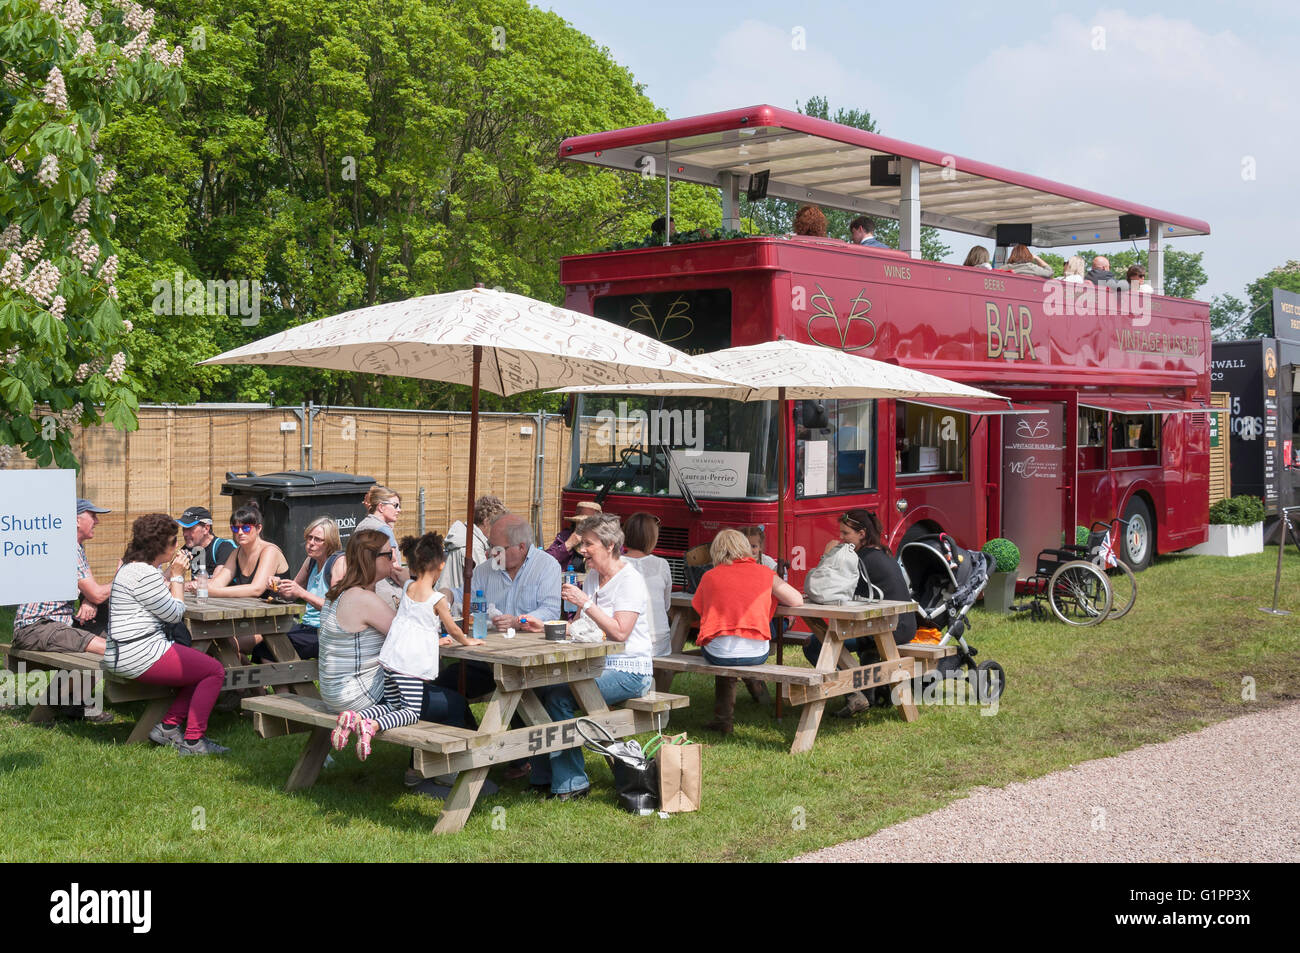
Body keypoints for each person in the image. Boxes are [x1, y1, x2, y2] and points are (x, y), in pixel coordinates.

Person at [531, 514, 654, 799]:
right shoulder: (594, 580)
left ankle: (572, 783)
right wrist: (554, 626)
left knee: (559, 696)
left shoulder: (629, 581)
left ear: (610, 545)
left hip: (630, 671)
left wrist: (585, 602)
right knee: (535, 689)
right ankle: (542, 775)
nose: (581, 549)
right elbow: (586, 627)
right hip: (596, 665)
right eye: (582, 543)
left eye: (588, 544)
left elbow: (620, 633)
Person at [329, 532, 481, 760]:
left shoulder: (407, 586)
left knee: (392, 703)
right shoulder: (434, 598)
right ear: (441, 565)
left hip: (386, 664)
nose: (393, 562)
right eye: (388, 556)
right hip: (396, 672)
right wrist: (466, 640)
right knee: (411, 712)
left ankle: (354, 718)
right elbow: (453, 629)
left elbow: (405, 622)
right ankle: (373, 727)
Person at [104, 513, 228, 754]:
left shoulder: (132, 569)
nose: (176, 546)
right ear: (159, 545)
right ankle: (193, 741)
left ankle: (168, 727)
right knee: (214, 670)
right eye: (173, 541)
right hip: (139, 654)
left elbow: (158, 596)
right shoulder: (145, 573)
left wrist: (171, 574)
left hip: (122, 652)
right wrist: (179, 574)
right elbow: (174, 614)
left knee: (197, 665)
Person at [433, 513, 561, 699]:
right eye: (490, 546)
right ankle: (465, 725)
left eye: (497, 548)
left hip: (532, 660)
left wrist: (518, 621)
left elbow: (550, 611)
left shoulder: (547, 566)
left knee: (528, 699)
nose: (491, 552)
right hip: (488, 658)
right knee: (448, 683)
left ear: (521, 547)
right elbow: (464, 596)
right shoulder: (486, 569)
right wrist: (446, 595)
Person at [805, 509, 917, 716]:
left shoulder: (860, 559)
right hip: (902, 625)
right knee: (827, 639)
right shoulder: (880, 553)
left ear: (862, 534)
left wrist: (827, 555)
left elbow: (823, 586)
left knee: (815, 644)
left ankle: (854, 695)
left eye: (846, 533)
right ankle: (858, 693)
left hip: (890, 629)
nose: (841, 538)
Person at [691, 529, 803, 734]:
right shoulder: (764, 572)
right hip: (757, 652)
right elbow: (796, 600)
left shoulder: (710, 576)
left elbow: (698, 607)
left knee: (722, 643)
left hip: (719, 655)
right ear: (744, 547)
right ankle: (753, 700)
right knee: (733, 647)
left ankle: (723, 719)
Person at [12, 498, 112, 657]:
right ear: (77, 521)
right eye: (93, 516)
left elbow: (89, 590)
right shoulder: (67, 546)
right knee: (109, 648)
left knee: (107, 636)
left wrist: (88, 600)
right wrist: (125, 579)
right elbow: (97, 593)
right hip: (35, 628)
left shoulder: (74, 547)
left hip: (56, 625)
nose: (97, 521)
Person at [197, 503, 289, 655]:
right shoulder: (237, 552)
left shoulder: (269, 551)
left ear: (258, 528)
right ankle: (242, 674)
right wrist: (191, 585)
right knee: (213, 640)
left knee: (222, 646)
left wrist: (211, 591)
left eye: (246, 528)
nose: (240, 533)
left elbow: (256, 589)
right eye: (235, 528)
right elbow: (218, 582)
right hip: (248, 619)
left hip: (275, 621)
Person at [253, 517, 346, 662]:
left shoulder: (338, 563)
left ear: (330, 543)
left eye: (317, 540)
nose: (311, 544)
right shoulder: (311, 561)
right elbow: (290, 595)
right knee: (263, 645)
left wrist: (302, 593)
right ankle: (290, 683)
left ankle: (292, 682)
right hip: (307, 626)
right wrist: (278, 586)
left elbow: (335, 607)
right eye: (309, 538)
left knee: (269, 648)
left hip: (327, 633)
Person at [437, 495, 506, 603]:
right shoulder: (472, 546)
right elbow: (486, 586)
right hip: (458, 611)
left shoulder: (465, 538)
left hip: (448, 606)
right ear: (486, 522)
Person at [622, 512, 672, 658]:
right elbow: (666, 605)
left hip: (627, 639)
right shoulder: (662, 564)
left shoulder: (615, 564)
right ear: (653, 537)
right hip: (658, 639)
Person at [356, 485, 408, 606]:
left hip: (362, 591)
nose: (399, 510)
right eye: (395, 505)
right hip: (386, 595)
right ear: (381, 507)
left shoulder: (361, 526)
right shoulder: (383, 530)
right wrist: (413, 585)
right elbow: (394, 568)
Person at [175, 506, 235, 578]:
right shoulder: (188, 549)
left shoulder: (224, 548)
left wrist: (185, 585)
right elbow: (167, 579)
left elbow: (216, 584)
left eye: (190, 528)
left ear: (206, 529)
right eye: (184, 528)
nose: (184, 534)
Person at [545, 500, 601, 572]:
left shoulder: (606, 541)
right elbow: (546, 561)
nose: (584, 528)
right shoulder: (564, 537)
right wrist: (568, 544)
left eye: (589, 524)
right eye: (580, 523)